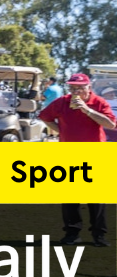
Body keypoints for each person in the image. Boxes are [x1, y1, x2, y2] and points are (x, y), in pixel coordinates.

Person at [37, 73, 116, 247]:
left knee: (96, 198)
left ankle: (99, 235)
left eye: (79, 88)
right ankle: (72, 233)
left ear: (89, 87)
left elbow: (110, 124)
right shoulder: (63, 101)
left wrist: (86, 110)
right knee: (71, 197)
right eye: (72, 88)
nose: (76, 92)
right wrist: (60, 131)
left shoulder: (99, 102)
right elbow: (44, 117)